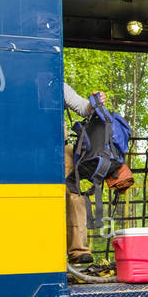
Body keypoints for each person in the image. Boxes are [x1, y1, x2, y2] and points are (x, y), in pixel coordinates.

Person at [63, 84, 93, 266]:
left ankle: (78, 251)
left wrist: (94, 104)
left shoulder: (55, 80)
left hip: (59, 146)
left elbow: (82, 107)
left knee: (73, 196)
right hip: (25, 149)